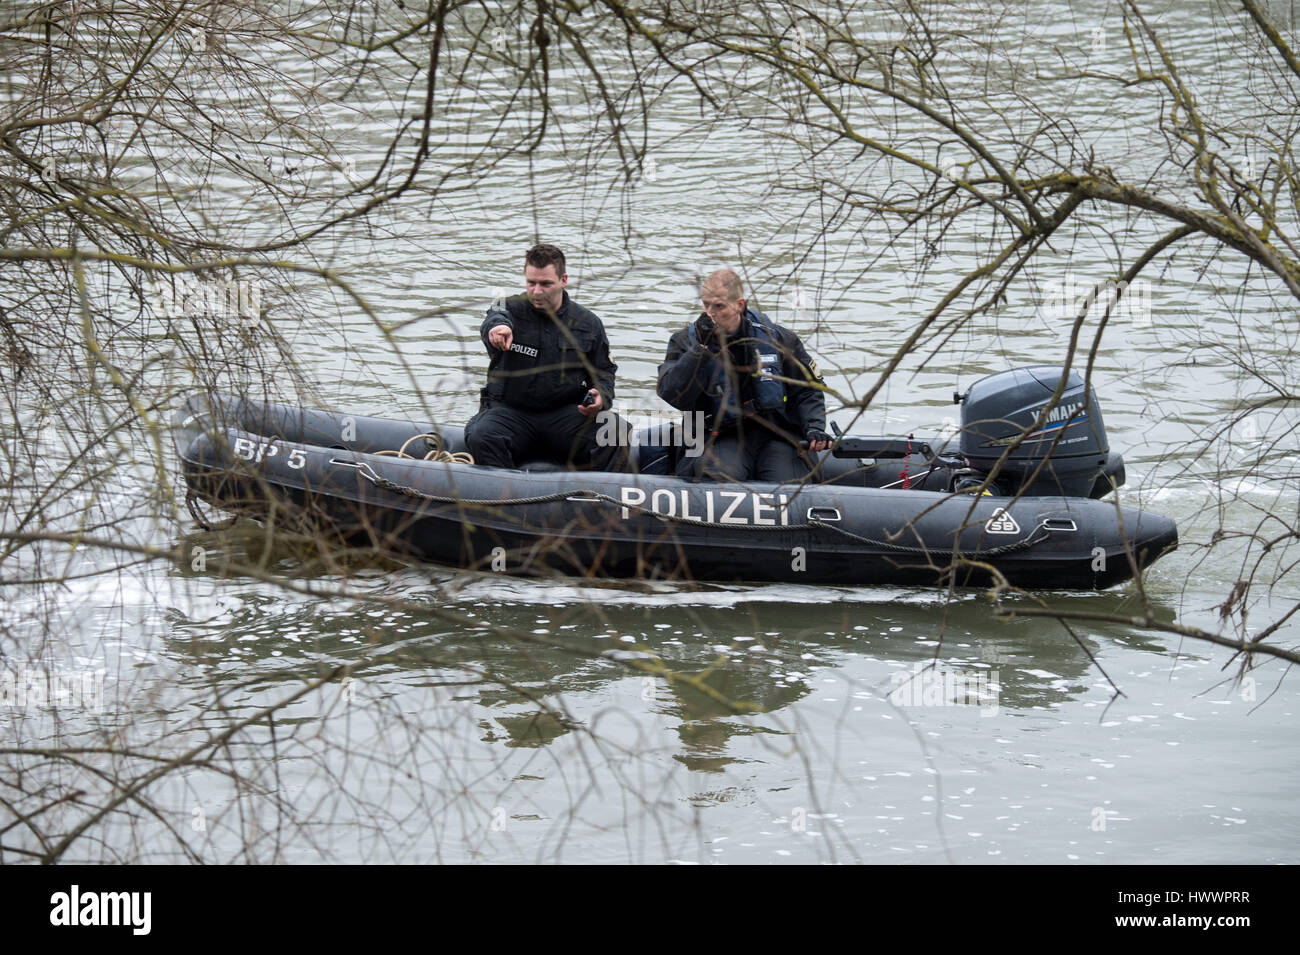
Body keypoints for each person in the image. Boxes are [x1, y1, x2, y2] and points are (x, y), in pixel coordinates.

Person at [657, 269, 831, 482]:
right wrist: (699, 351)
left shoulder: (778, 339)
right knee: (719, 479)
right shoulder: (686, 341)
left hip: (775, 433)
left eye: (718, 306)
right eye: (705, 304)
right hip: (719, 435)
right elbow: (671, 393)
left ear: (739, 304)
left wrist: (814, 426)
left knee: (789, 484)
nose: (710, 313)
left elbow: (808, 389)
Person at [465, 244, 626, 471]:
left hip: (565, 417)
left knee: (616, 432)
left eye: (546, 284)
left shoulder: (588, 323)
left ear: (563, 280)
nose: (537, 291)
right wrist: (498, 328)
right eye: (531, 283)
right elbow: (495, 316)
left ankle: (597, 496)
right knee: (482, 435)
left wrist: (601, 396)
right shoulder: (506, 305)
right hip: (510, 413)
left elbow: (604, 372)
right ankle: (503, 498)